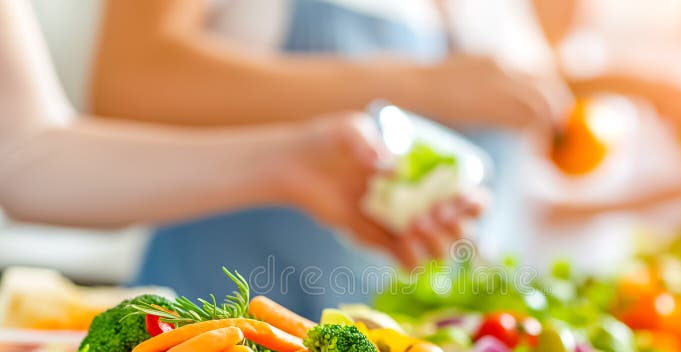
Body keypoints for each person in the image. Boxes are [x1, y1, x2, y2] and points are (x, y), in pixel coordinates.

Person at [0, 0, 484, 310]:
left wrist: (292, 165)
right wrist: (415, 85)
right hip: (202, 295)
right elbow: (121, 86)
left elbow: (25, 153)